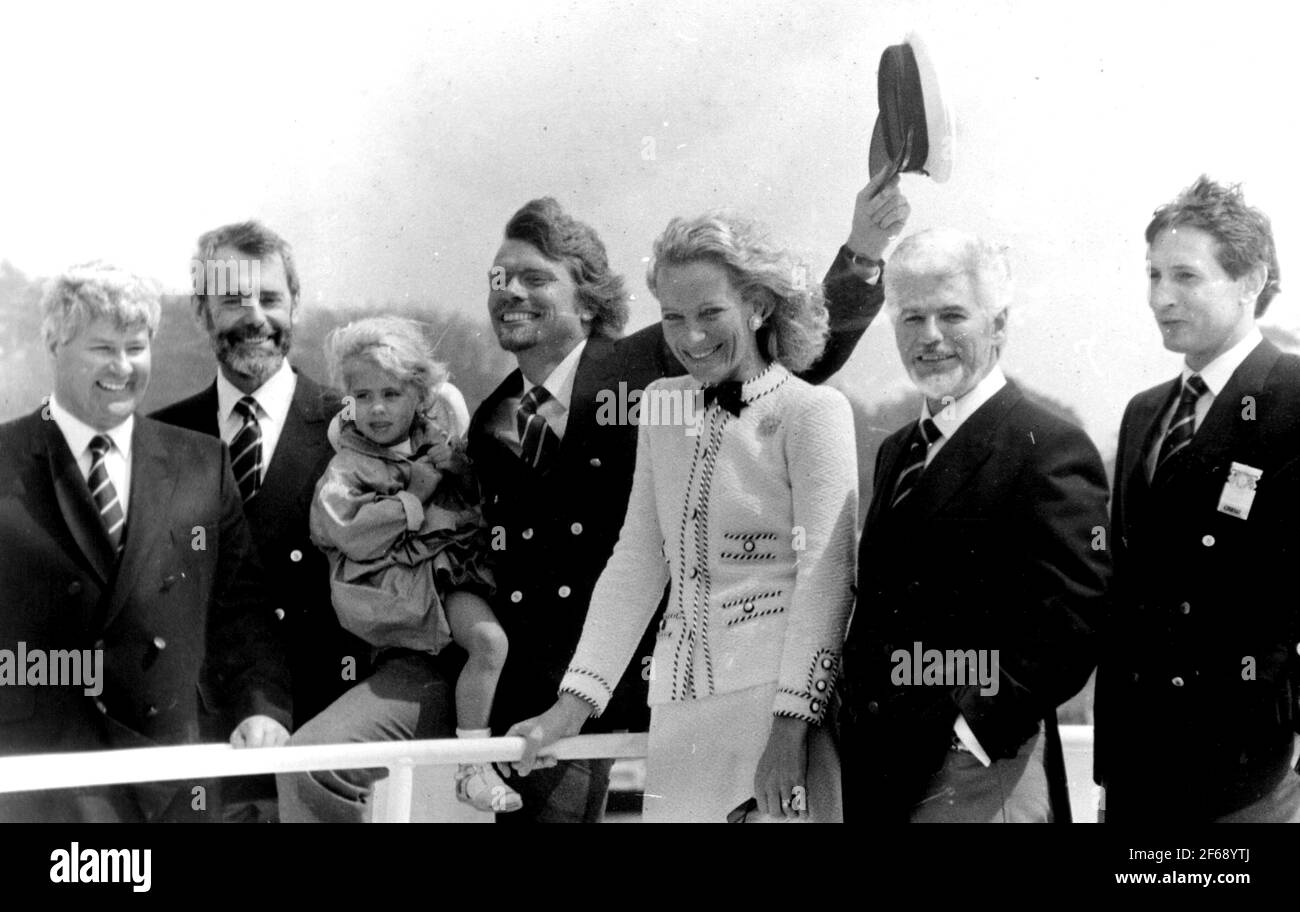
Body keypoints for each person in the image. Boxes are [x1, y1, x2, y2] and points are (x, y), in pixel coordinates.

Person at [471, 171, 909, 822]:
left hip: (777, 707)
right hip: (678, 709)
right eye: (673, 317)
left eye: (711, 314)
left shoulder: (814, 412)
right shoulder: (660, 405)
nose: (691, 338)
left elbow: (826, 581)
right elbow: (638, 560)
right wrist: (573, 704)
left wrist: (791, 726)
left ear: (759, 306)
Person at [0, 262, 291, 822]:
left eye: (136, 347)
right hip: (41, 775)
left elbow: (243, 610)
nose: (121, 367)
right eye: (101, 348)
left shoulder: (201, 462)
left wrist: (263, 707)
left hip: (172, 769)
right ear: (54, 345)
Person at [837, 229, 1111, 822]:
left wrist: (976, 733)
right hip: (885, 774)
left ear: (1000, 324)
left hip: (981, 778)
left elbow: (1073, 617)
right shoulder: (898, 450)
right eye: (911, 317)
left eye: (952, 315)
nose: (929, 337)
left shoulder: (1047, 443)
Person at [153, 221, 405, 820]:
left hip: (322, 762)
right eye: (233, 300)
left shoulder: (358, 429)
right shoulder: (158, 440)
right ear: (201, 310)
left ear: (295, 303)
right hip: (201, 758)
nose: (254, 317)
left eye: (269, 298)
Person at [1095, 176, 1300, 823]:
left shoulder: (1293, 397)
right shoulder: (1144, 413)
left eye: (1185, 276)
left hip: (1247, 770)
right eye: (1153, 276)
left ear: (1250, 279)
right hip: (1139, 766)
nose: (1161, 298)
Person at [277, 317, 515, 821]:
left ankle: (474, 763)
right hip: (410, 637)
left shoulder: (447, 450)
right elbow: (346, 528)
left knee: (490, 643)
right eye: (362, 396)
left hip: (458, 602)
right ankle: (473, 762)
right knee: (312, 761)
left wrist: (450, 473)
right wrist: (414, 496)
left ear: (420, 395)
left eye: (391, 393)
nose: (377, 408)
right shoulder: (348, 466)